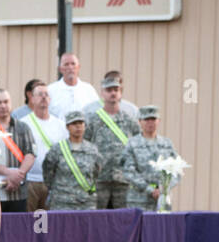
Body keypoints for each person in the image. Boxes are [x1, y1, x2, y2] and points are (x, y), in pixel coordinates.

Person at [86, 75, 141, 209]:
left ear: (120, 93)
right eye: (109, 90)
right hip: (99, 180)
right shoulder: (93, 120)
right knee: (97, 220)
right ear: (102, 93)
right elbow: (85, 147)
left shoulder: (130, 121)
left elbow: (138, 146)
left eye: (116, 90)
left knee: (122, 221)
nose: (113, 93)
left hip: (123, 181)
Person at [0, 87, 35, 213]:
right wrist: (8, 173)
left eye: (6, 102)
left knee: (19, 230)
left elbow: (31, 153)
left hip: (19, 192)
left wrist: (18, 176)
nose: (3, 106)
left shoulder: (23, 127)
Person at [20, 81, 67, 212]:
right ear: (32, 99)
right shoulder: (23, 124)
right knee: (29, 220)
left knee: (50, 222)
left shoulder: (60, 125)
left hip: (52, 182)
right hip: (30, 181)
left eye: (46, 94)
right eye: (40, 94)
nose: (44, 97)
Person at [121, 105, 179, 210]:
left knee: (162, 226)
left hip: (162, 198)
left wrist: (163, 189)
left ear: (159, 121)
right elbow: (128, 171)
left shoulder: (167, 144)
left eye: (153, 119)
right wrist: (150, 189)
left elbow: (176, 170)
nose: (150, 123)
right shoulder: (132, 144)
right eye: (146, 119)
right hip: (138, 199)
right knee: (139, 226)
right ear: (139, 122)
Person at [42, 110, 101, 210]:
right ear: (67, 127)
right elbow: (48, 173)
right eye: (74, 124)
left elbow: (96, 172)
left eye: (81, 123)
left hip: (85, 202)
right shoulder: (57, 149)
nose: (78, 127)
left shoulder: (93, 150)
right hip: (62, 202)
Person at [48, 52, 100, 118]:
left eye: (73, 64)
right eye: (66, 64)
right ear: (60, 69)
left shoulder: (88, 90)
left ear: (78, 67)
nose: (70, 67)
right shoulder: (51, 90)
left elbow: (97, 113)